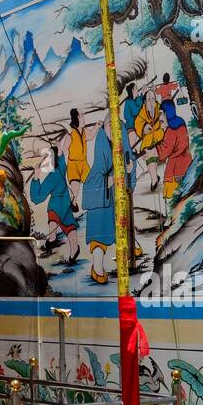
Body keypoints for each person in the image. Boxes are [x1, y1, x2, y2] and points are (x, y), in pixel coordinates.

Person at [29, 145, 79, 264]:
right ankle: (73, 251)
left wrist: (36, 176)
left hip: (57, 205)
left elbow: (37, 198)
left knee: (55, 220)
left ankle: (53, 241)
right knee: (69, 227)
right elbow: (61, 155)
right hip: (66, 205)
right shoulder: (61, 168)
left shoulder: (53, 176)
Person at [83, 115, 115, 285]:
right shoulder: (101, 146)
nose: (113, 128)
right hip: (98, 197)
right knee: (99, 234)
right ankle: (97, 267)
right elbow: (98, 173)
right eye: (110, 124)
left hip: (111, 200)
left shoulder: (114, 145)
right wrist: (110, 180)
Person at [157, 99, 193, 200]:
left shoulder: (171, 131)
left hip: (175, 171)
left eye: (160, 114)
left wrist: (153, 150)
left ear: (167, 114)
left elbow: (164, 151)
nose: (159, 118)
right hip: (186, 165)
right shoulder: (180, 124)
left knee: (173, 201)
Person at [64, 108, 90, 208]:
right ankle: (73, 203)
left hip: (84, 164)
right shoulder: (70, 135)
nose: (83, 118)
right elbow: (64, 151)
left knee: (91, 181)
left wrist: (97, 126)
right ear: (76, 118)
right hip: (73, 165)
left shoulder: (84, 131)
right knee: (75, 188)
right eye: (81, 115)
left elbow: (91, 136)